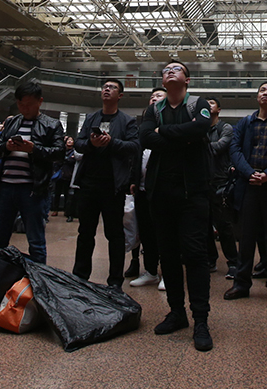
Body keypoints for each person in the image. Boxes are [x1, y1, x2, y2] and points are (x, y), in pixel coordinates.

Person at [139, 62, 215, 351]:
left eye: (177, 68)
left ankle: (201, 320)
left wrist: (165, 134)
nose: (170, 71)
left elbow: (201, 128)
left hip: (193, 194)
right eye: (166, 69)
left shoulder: (198, 103)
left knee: (195, 256)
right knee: (167, 256)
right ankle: (176, 312)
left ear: (187, 79)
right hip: (161, 193)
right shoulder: (153, 109)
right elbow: (145, 137)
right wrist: (181, 137)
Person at [225, 82, 267, 306]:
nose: (265, 93)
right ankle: (241, 284)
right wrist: (249, 172)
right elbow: (234, 150)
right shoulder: (245, 122)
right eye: (262, 90)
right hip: (248, 187)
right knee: (245, 239)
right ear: (257, 97)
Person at [0, 80, 64, 263]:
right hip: (5, 187)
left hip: (32, 190)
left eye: (28, 104)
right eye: (20, 104)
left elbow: (59, 153)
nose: (24, 108)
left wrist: (34, 149)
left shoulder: (51, 125)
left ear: (40, 101)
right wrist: (6, 146)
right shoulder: (13, 122)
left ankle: (38, 281)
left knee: (36, 241)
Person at [72, 79, 138, 289]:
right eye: (104, 87)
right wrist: (91, 144)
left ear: (120, 95)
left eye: (112, 88)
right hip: (89, 183)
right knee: (85, 232)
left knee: (115, 234)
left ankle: (115, 281)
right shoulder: (91, 117)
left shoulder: (128, 121)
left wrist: (111, 143)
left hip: (113, 185)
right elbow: (79, 143)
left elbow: (134, 146)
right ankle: (80, 277)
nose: (107, 89)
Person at [128, 88, 165, 287]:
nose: (154, 99)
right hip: (142, 188)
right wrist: (133, 180)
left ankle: (168, 273)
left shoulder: (171, 123)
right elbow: (137, 155)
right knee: (147, 233)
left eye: (159, 96)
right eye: (152, 97)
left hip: (163, 188)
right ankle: (151, 271)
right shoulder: (143, 126)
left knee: (165, 233)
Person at [204, 98, 238, 279]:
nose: (208, 105)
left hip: (220, 182)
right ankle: (211, 260)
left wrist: (197, 146)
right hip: (203, 183)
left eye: (212, 102)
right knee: (204, 225)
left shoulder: (225, 128)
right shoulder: (201, 128)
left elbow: (219, 147)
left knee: (224, 226)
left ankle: (233, 262)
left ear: (219, 109)